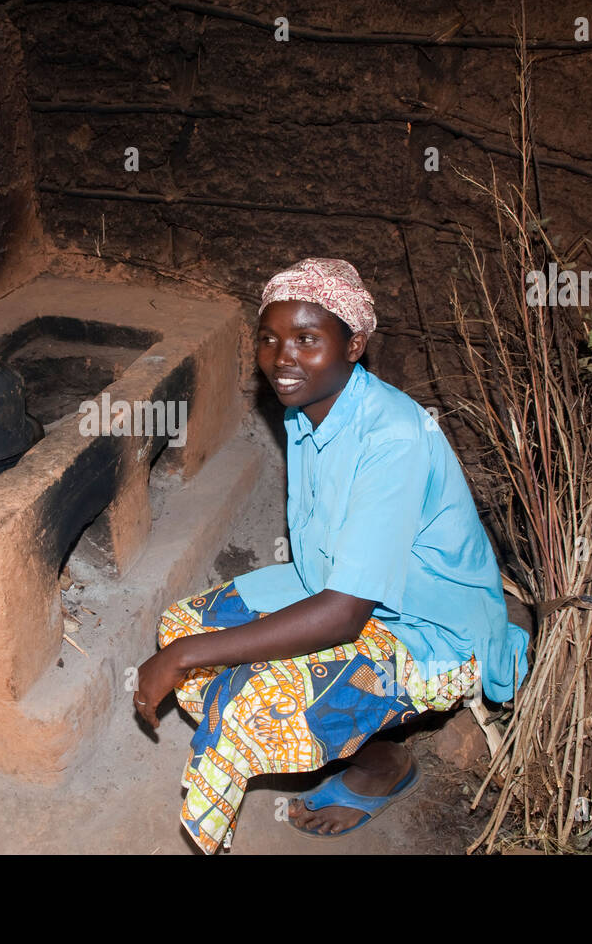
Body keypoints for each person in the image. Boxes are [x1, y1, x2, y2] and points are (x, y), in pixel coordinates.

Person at [133, 257, 530, 853]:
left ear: (355, 345)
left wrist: (192, 657)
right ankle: (378, 746)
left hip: (427, 627)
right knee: (179, 625)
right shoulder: (309, 408)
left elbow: (344, 614)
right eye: (269, 339)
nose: (282, 357)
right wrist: (190, 648)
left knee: (246, 704)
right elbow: (335, 581)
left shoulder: (391, 436)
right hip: (340, 587)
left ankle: (378, 769)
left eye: (307, 339)